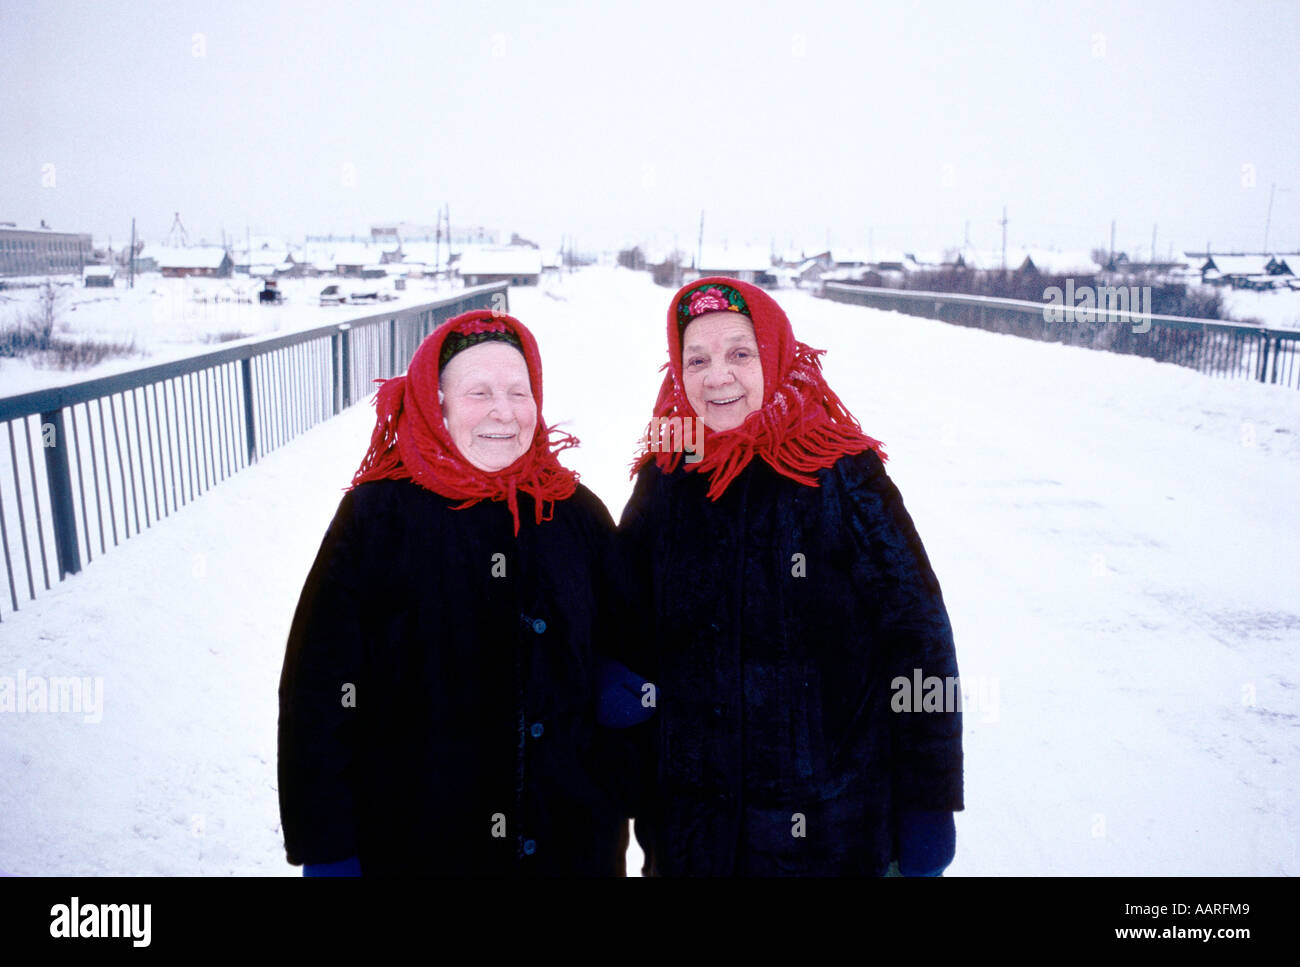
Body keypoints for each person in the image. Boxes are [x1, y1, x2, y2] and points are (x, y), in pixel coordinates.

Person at [278, 309, 648, 876]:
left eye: (518, 392)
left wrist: (613, 766)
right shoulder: (377, 518)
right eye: (478, 392)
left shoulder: (574, 513)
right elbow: (319, 692)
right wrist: (329, 850)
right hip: (414, 844)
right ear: (437, 403)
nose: (504, 412)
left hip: (569, 846)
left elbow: (629, 649)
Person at [620, 277, 963, 876]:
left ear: (774, 356)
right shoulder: (664, 478)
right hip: (690, 839)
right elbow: (623, 616)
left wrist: (928, 800)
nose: (716, 376)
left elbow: (920, 640)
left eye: (739, 354)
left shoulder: (841, 474)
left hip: (832, 836)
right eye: (695, 359)